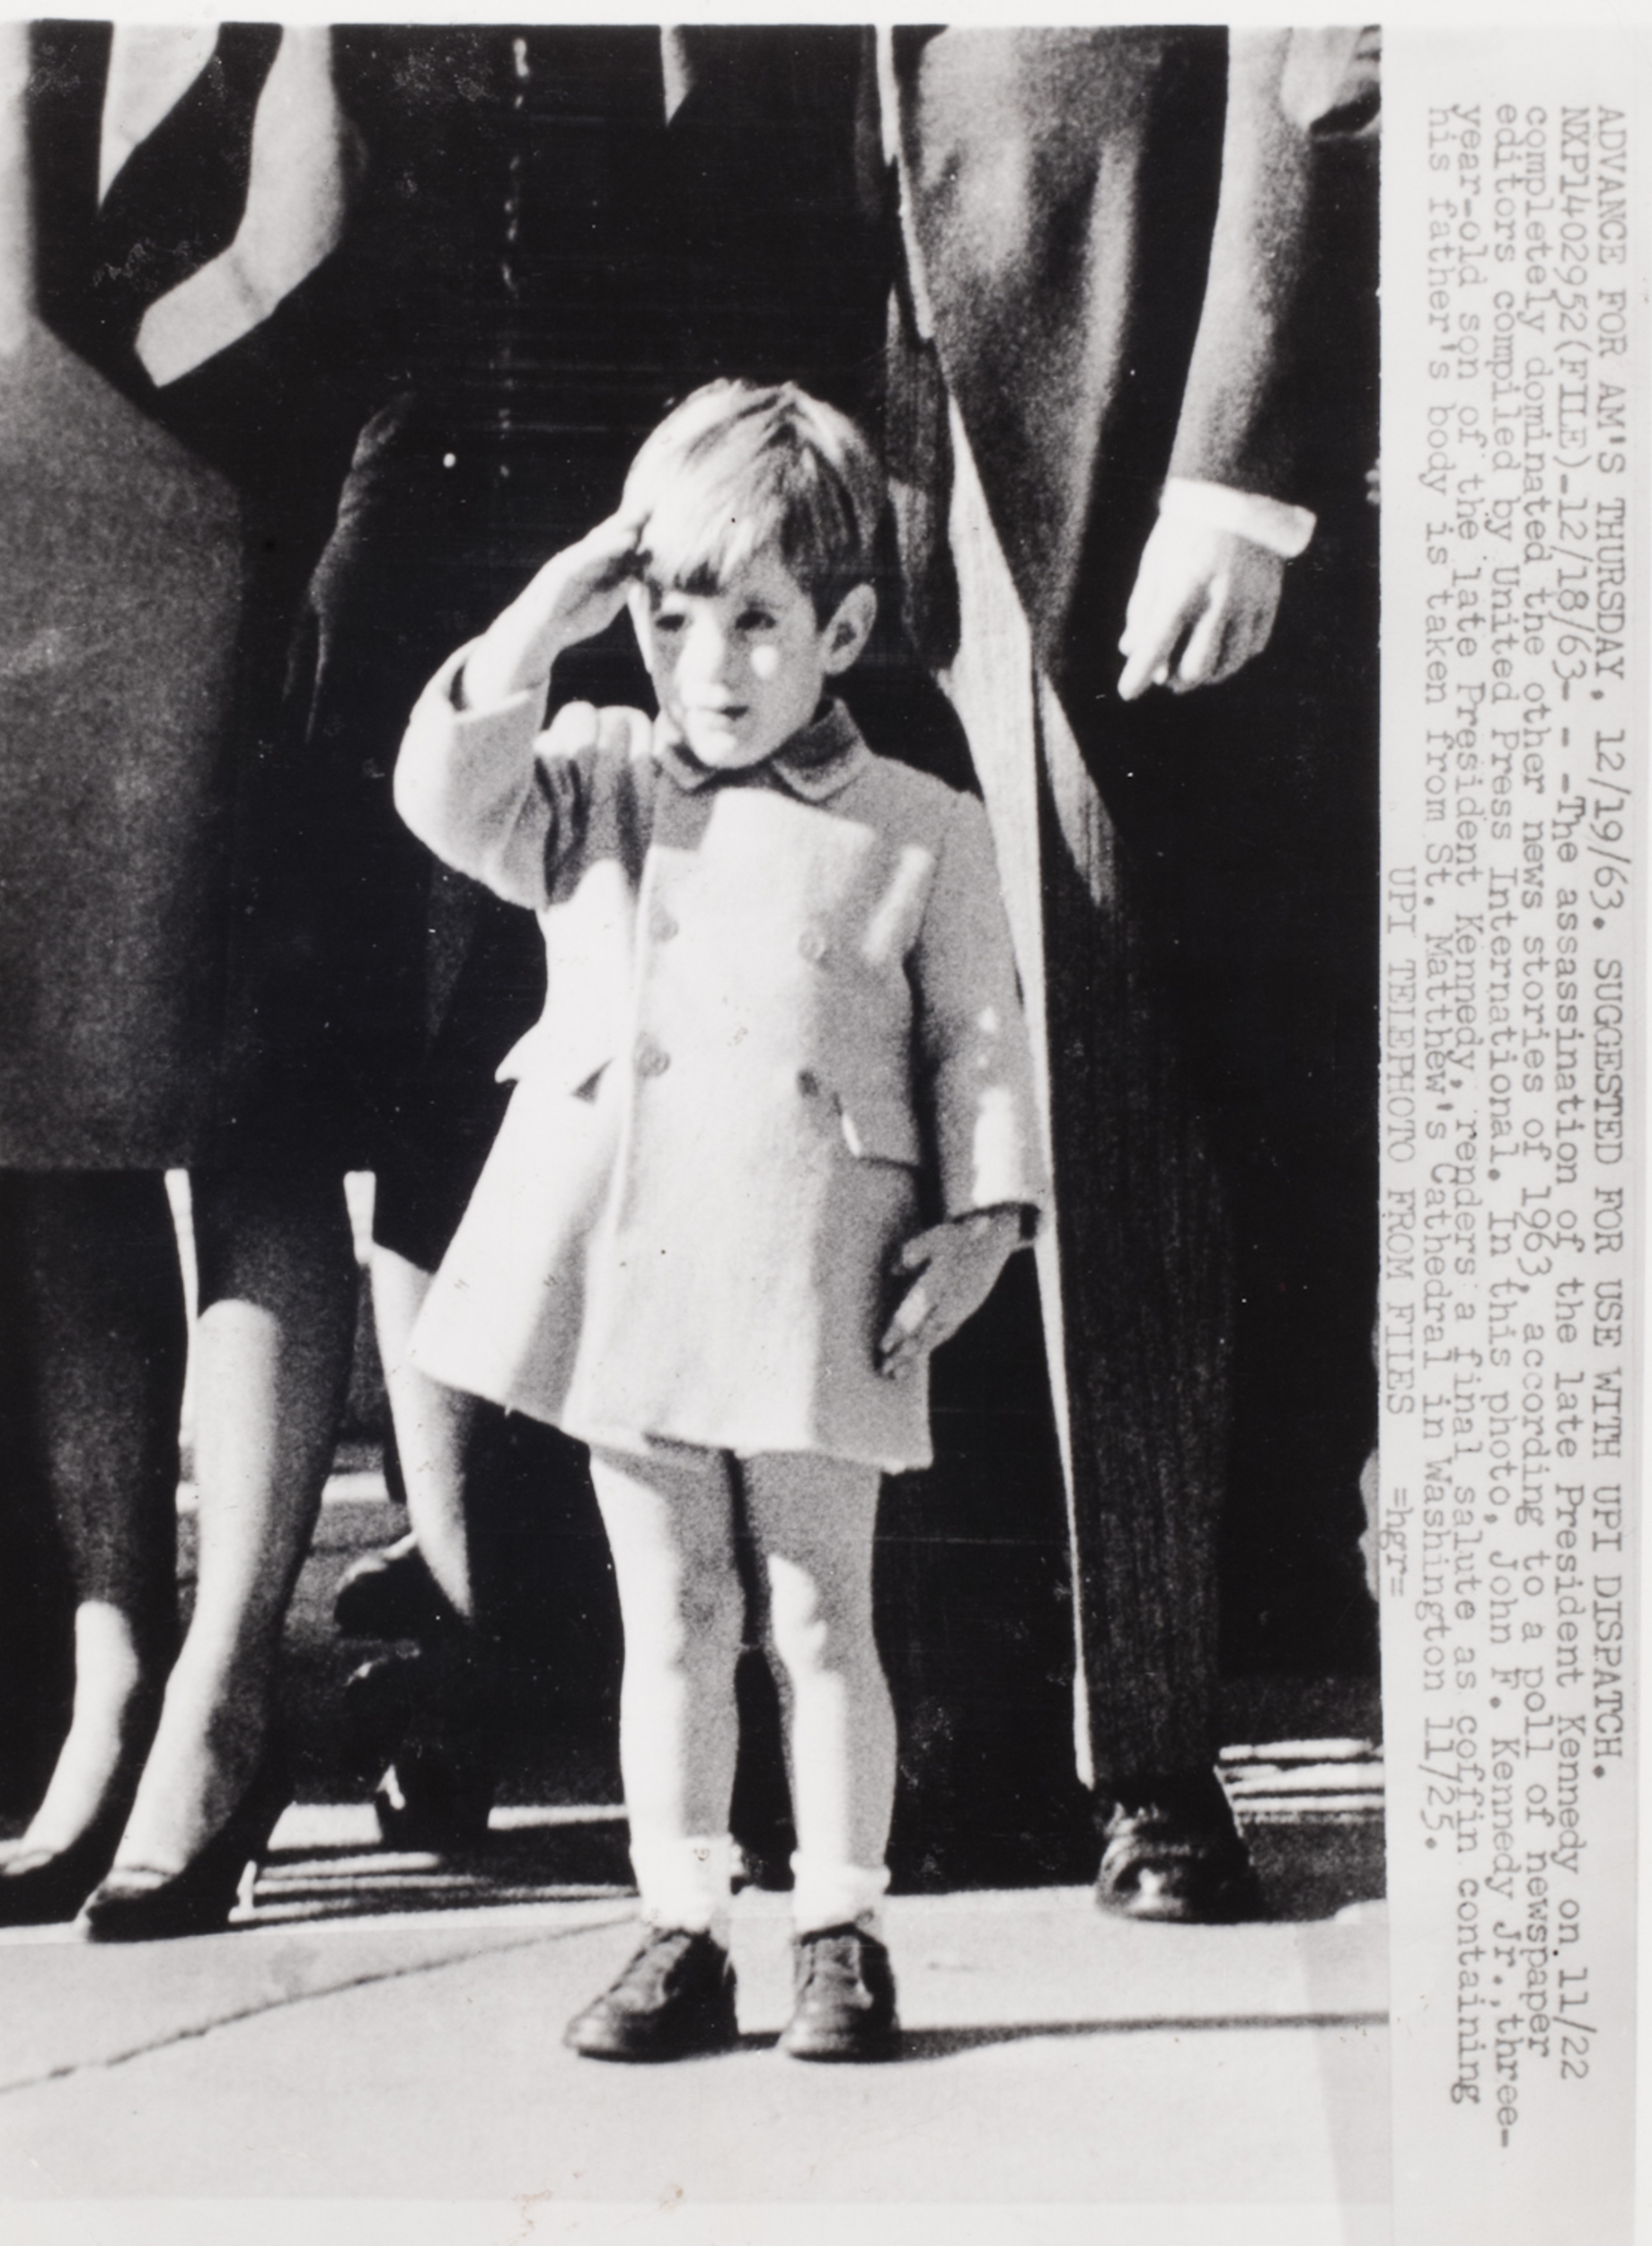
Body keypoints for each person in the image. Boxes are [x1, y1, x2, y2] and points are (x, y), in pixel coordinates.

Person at [393, 383, 1047, 2059]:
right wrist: (546, 616)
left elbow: (978, 1040)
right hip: (634, 1260)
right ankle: (678, 1927)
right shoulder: (592, 782)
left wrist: (987, 1217)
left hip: (824, 1266)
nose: (712, 667)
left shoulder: (923, 826)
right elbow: (443, 802)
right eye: (673, 622)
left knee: (822, 1612)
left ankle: (841, 1926)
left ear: (842, 631)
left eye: (758, 622)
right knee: (674, 1611)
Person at [879, 26, 1381, 1918]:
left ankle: (1147, 1752)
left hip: (1091, 414)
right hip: (826, 433)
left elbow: (1309, 45)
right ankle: (932, 1722)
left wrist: (1239, 461)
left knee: (1100, 1100)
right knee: (853, 1088)